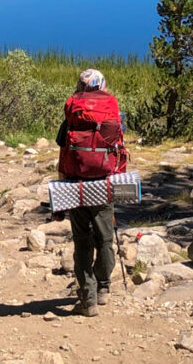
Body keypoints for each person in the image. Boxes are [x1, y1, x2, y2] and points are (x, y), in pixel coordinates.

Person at [56, 68, 127, 317]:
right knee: (105, 240)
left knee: (82, 243)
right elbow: (120, 148)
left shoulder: (73, 115)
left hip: (76, 184)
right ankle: (104, 287)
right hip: (104, 184)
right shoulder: (112, 113)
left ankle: (88, 299)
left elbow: (64, 150)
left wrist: (61, 184)